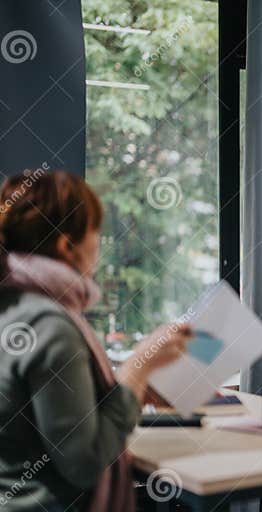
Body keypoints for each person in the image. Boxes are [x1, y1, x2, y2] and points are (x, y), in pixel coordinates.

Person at [0, 171, 192, 511]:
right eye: (95, 232)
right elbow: (85, 463)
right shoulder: (49, 325)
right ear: (67, 246)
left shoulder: (14, 305)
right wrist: (140, 365)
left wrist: (133, 388)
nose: (99, 245)